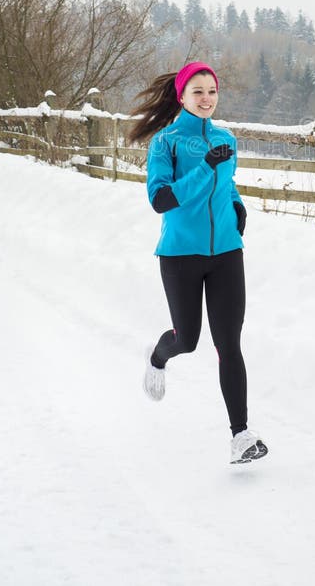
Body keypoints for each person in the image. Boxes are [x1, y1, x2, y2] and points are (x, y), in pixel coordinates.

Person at [129, 61, 268, 465]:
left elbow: (227, 184)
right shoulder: (166, 143)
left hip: (226, 253)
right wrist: (205, 167)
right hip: (180, 255)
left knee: (229, 344)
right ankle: (158, 355)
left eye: (212, 91)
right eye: (198, 92)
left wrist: (237, 205)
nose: (207, 98)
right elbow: (161, 199)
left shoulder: (226, 138)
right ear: (183, 97)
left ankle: (241, 436)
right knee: (187, 340)